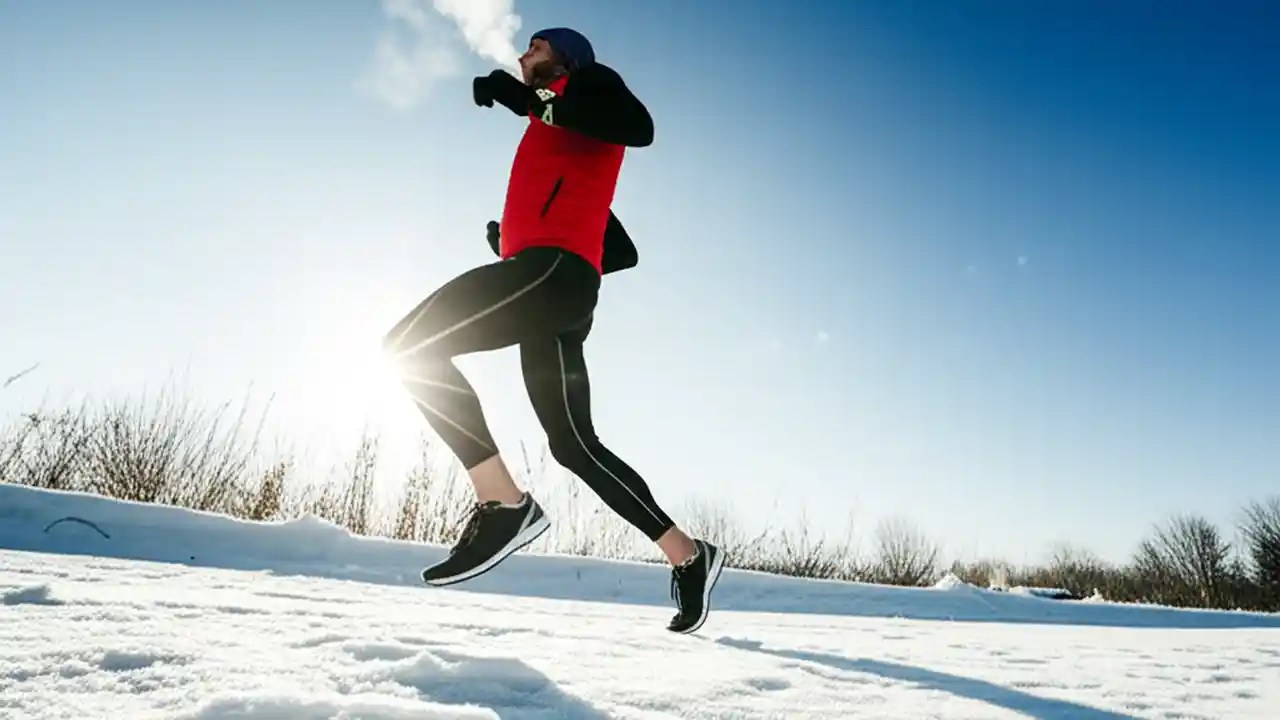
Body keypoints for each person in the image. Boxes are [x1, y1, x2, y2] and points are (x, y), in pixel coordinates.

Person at [382, 27, 724, 634]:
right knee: (573, 445)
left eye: (535, 48)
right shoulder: (565, 131)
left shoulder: (590, 87)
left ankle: (503, 504)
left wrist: (532, 105)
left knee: (408, 347)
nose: (521, 56)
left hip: (552, 277)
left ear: (564, 59)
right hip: (557, 287)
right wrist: (517, 238)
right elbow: (619, 249)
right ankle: (688, 554)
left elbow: (639, 128)